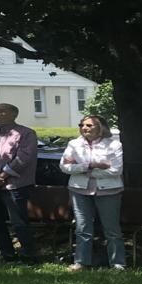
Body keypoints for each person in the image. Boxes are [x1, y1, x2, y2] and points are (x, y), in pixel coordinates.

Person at [59, 115, 125, 271]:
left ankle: (118, 264)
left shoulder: (114, 145)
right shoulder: (74, 144)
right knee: (82, 227)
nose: (84, 128)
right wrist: (90, 165)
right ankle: (81, 262)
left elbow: (116, 170)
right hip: (79, 190)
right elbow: (64, 167)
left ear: (101, 127)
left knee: (111, 229)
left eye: (89, 125)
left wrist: (87, 172)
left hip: (109, 190)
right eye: (82, 124)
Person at [0, 103, 40, 264]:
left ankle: (29, 256)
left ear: (14, 114)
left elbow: (23, 158)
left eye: (1, 111)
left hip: (15, 185)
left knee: (18, 222)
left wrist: (2, 177)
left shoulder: (26, 134)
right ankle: (8, 255)